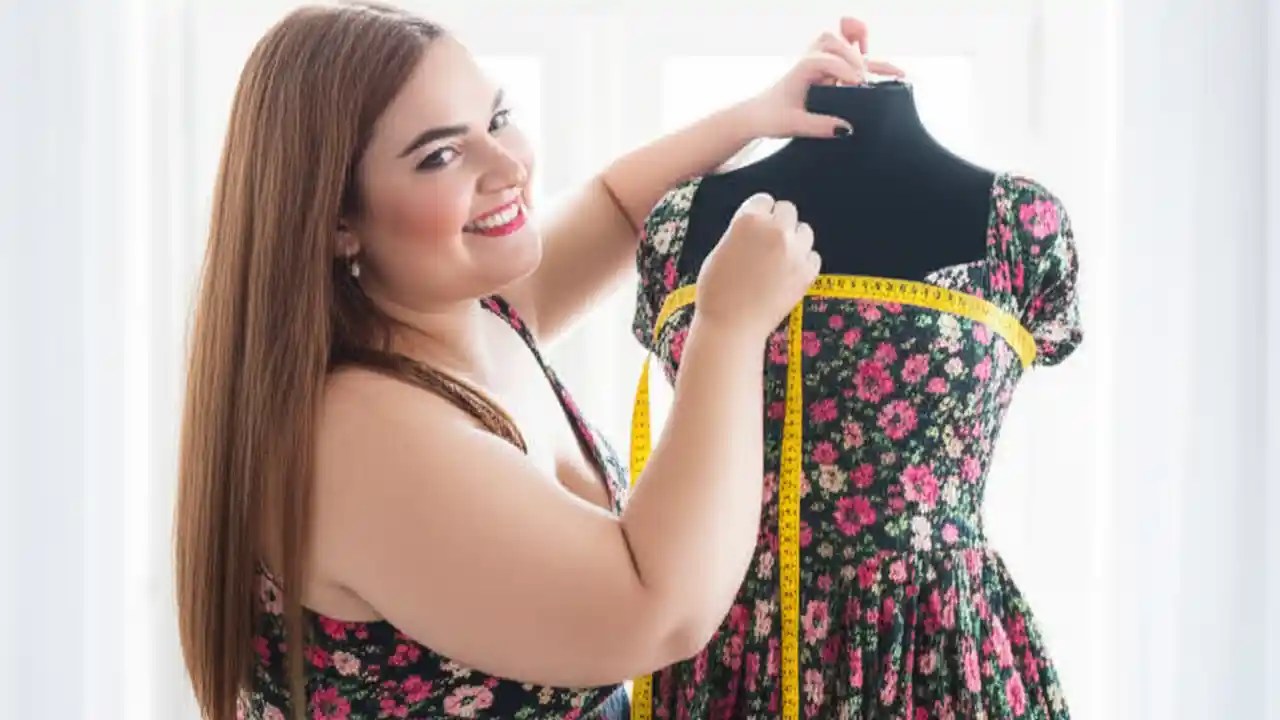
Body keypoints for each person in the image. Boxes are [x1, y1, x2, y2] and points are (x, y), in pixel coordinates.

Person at [172, 2, 902, 718]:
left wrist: (763, 114)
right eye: (441, 155)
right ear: (337, 221)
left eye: (495, 119)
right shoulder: (360, 438)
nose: (508, 166)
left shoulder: (469, 314)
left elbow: (616, 205)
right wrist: (731, 327)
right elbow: (658, 615)